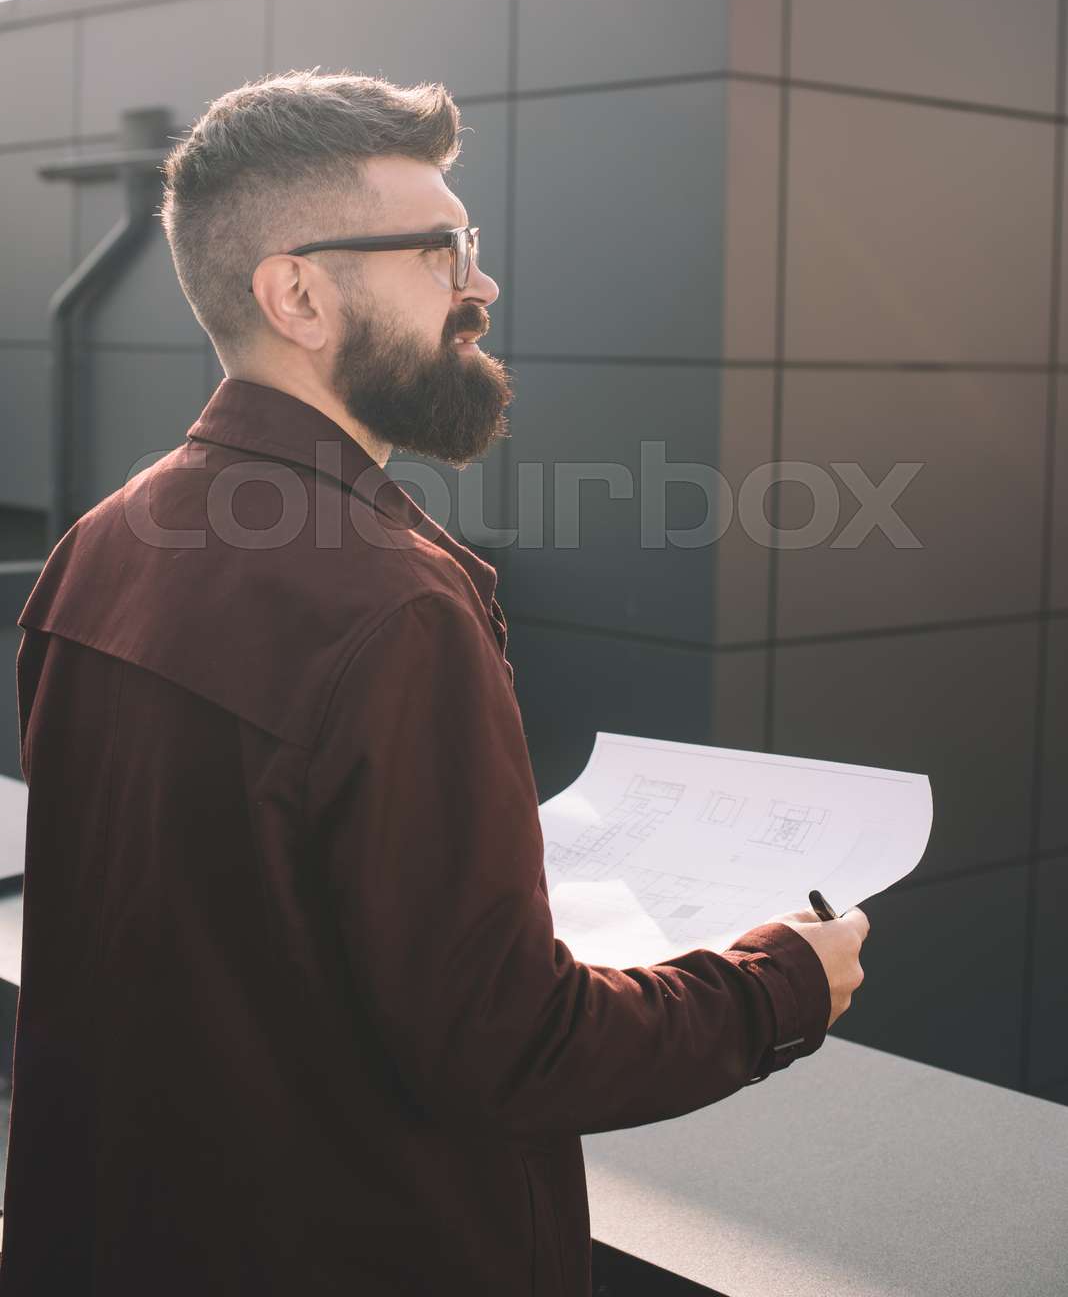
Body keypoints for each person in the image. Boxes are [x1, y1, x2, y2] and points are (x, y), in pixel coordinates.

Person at [0, 70, 869, 1296]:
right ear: (297, 291)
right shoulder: (391, 603)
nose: (482, 284)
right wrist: (781, 985)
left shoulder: (105, 539)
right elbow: (512, 1047)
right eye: (443, 250)